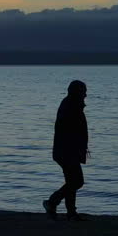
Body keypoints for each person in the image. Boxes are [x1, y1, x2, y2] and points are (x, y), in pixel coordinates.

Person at [43, 80, 88, 220]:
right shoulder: (71, 106)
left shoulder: (71, 104)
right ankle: (52, 202)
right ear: (77, 92)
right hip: (67, 151)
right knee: (77, 181)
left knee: (71, 181)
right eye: (83, 92)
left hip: (66, 150)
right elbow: (70, 130)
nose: (85, 95)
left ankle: (71, 212)